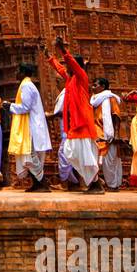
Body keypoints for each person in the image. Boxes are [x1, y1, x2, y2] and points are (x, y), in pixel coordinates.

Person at [45, 37, 102, 193]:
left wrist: (63, 49)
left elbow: (71, 64)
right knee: (72, 153)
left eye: (68, 64)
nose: (66, 67)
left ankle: (96, 183)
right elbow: (60, 69)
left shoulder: (81, 77)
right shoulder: (70, 79)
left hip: (82, 124)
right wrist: (50, 57)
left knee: (84, 156)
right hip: (75, 125)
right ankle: (91, 181)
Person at [6, 62, 52, 192]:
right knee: (30, 154)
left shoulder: (26, 86)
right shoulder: (27, 85)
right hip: (32, 125)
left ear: (23, 72)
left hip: (31, 127)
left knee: (30, 154)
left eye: (18, 71)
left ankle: (43, 182)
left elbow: (25, 107)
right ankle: (37, 183)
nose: (16, 74)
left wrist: (10, 106)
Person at [90, 77, 123, 190]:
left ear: (103, 87)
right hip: (96, 134)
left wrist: (116, 134)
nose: (92, 87)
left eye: (95, 85)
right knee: (97, 161)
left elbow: (116, 115)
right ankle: (100, 183)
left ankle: (113, 185)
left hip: (109, 135)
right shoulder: (94, 100)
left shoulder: (110, 98)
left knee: (110, 161)